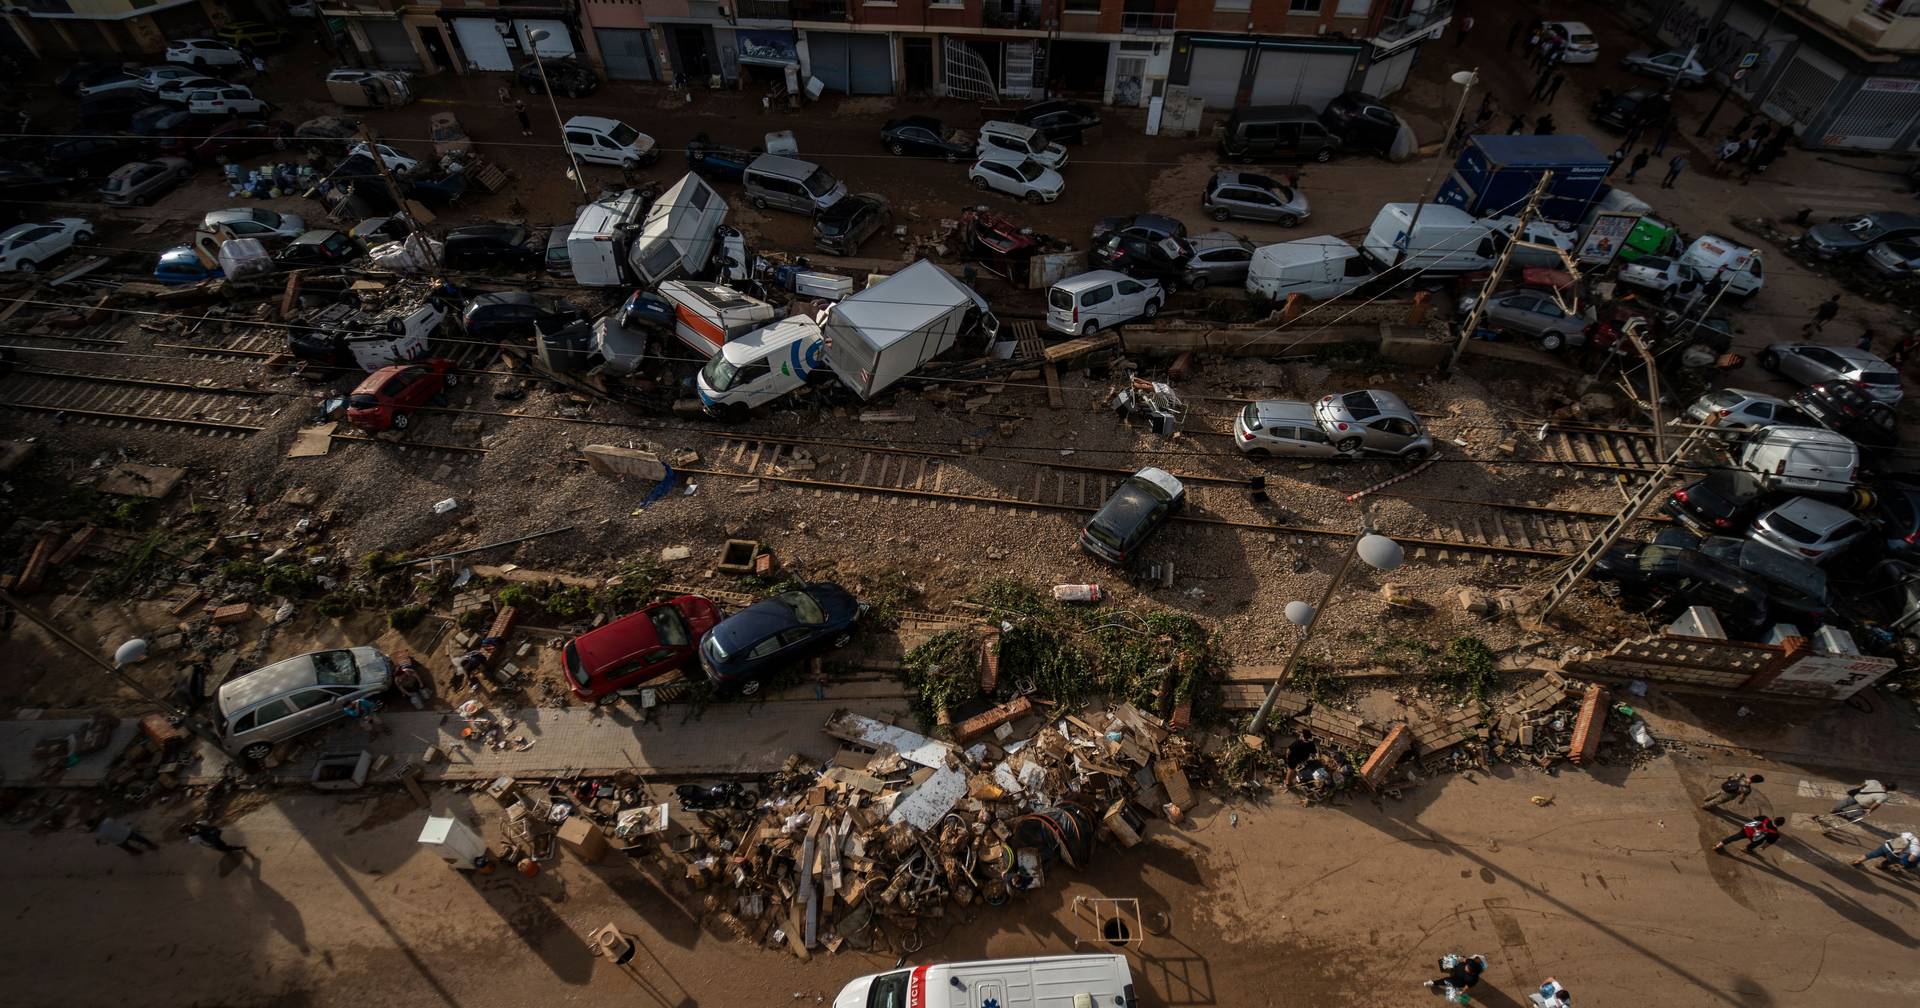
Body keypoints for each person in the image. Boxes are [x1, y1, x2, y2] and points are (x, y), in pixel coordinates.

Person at [1822, 778, 1896, 823]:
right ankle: (1847, 816)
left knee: (1846, 802)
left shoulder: (1875, 782)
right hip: (1864, 804)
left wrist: (1860, 788)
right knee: (1861, 810)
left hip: (1857, 796)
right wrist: (1870, 810)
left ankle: (1834, 810)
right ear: (1891, 789)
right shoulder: (1884, 796)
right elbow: (1876, 804)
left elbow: (1864, 783)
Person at [1425, 954, 1489, 1000]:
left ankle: (1433, 983)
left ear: (1472, 972)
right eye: (1467, 965)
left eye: (1468, 967)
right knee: (1446, 962)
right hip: (1456, 969)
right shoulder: (1471, 962)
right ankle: (1447, 968)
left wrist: (1462, 992)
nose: (1466, 966)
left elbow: (1467, 986)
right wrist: (1458, 958)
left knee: (1446, 980)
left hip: (1459, 980)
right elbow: (1464, 960)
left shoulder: (1473, 979)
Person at [1714, 815, 1782, 854]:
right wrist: (1763, 847)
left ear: (1775, 819)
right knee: (1757, 842)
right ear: (1780, 825)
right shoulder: (1775, 834)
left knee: (1735, 837)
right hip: (1755, 838)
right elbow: (1768, 843)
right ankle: (1747, 849)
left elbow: (1754, 819)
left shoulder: (1764, 818)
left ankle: (1719, 845)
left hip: (1747, 831)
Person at [1852, 831, 1919, 870]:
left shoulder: (1909, 834)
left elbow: (1900, 836)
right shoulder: (1917, 848)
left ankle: (1858, 861)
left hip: (1886, 846)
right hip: (1894, 854)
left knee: (1871, 854)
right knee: (1890, 861)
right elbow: (1910, 859)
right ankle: (1880, 865)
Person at [94, 817, 159, 855]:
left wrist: (100, 841)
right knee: (140, 838)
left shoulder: (99, 835)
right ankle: (152, 845)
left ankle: (137, 852)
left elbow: (105, 842)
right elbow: (114, 820)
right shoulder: (107, 820)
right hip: (126, 832)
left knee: (127, 847)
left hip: (119, 841)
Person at [183, 820, 248, 855]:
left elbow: (201, 841)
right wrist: (197, 825)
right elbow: (206, 823)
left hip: (214, 839)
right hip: (215, 836)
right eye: (188, 827)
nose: (190, 828)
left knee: (223, 847)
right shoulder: (197, 826)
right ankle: (238, 848)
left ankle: (240, 848)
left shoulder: (192, 837)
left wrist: (198, 826)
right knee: (223, 846)